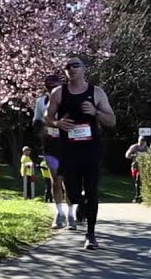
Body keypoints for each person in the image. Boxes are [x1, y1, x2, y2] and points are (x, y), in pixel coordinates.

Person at [46, 55, 117, 249]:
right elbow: (48, 117)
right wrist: (57, 123)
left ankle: (91, 235)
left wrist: (95, 112)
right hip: (68, 149)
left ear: (84, 69)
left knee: (92, 189)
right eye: (67, 66)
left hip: (91, 148)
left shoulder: (97, 93)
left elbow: (111, 121)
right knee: (73, 192)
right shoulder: (58, 93)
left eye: (75, 65)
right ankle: (81, 203)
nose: (71, 68)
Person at [33, 74, 71, 227]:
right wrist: (42, 131)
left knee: (69, 181)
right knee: (56, 180)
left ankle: (71, 213)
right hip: (51, 144)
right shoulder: (41, 102)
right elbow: (36, 121)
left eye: (55, 87)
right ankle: (59, 214)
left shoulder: (68, 101)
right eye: (49, 87)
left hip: (68, 143)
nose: (52, 90)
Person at [126, 134, 151, 203]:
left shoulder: (147, 148)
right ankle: (138, 196)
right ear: (138, 140)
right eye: (141, 140)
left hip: (144, 167)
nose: (142, 142)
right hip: (135, 166)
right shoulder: (134, 147)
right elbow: (127, 155)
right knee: (136, 181)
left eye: (144, 141)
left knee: (140, 180)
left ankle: (141, 196)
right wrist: (133, 155)